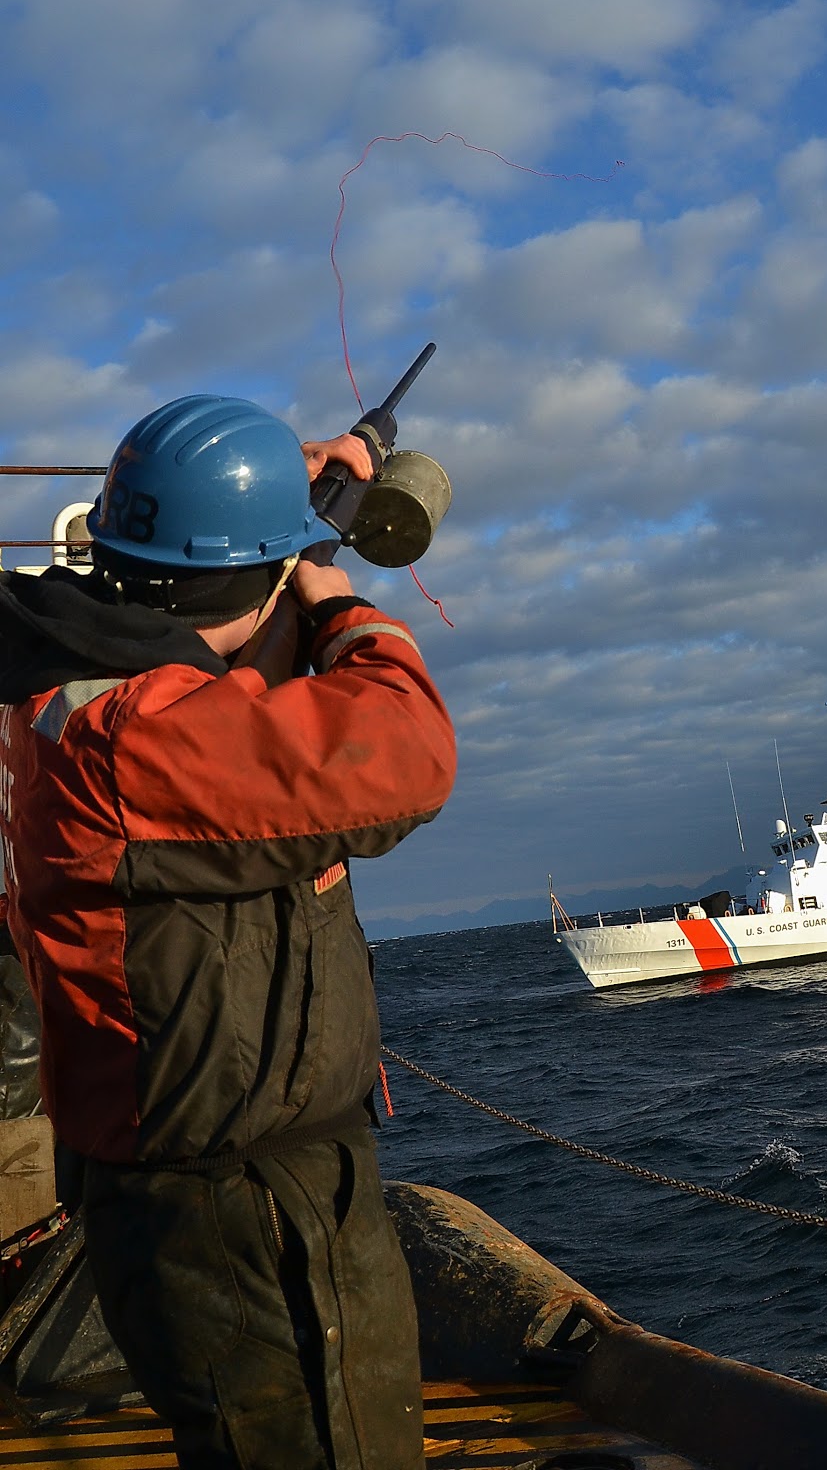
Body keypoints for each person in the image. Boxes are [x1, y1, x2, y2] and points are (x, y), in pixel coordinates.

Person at [0, 392, 458, 1468]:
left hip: (188, 1195)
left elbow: (211, 679)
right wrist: (339, 600)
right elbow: (404, 751)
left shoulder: (63, 668)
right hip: (252, 1221)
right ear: (255, 578)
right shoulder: (131, 740)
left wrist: (268, 501)